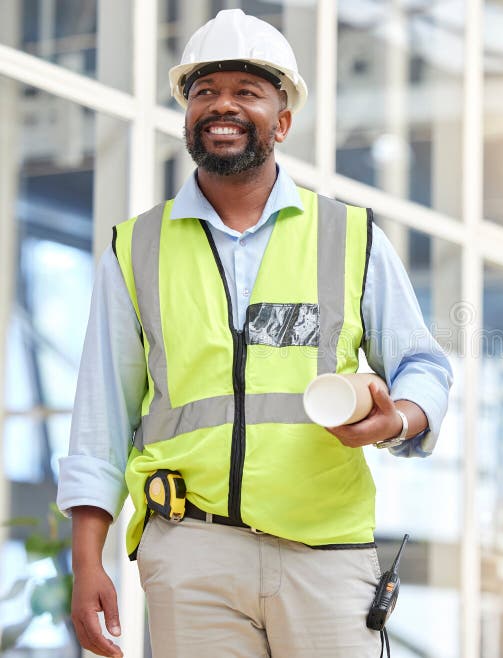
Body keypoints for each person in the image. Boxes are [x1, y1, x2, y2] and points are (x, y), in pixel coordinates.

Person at [56, 9, 452, 658]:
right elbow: (101, 415)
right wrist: (86, 560)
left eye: (247, 92)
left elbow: (423, 366)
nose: (223, 106)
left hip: (326, 552)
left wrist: (397, 418)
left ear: (283, 120)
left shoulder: (349, 239)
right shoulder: (136, 250)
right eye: (205, 91)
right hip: (191, 551)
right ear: (186, 116)